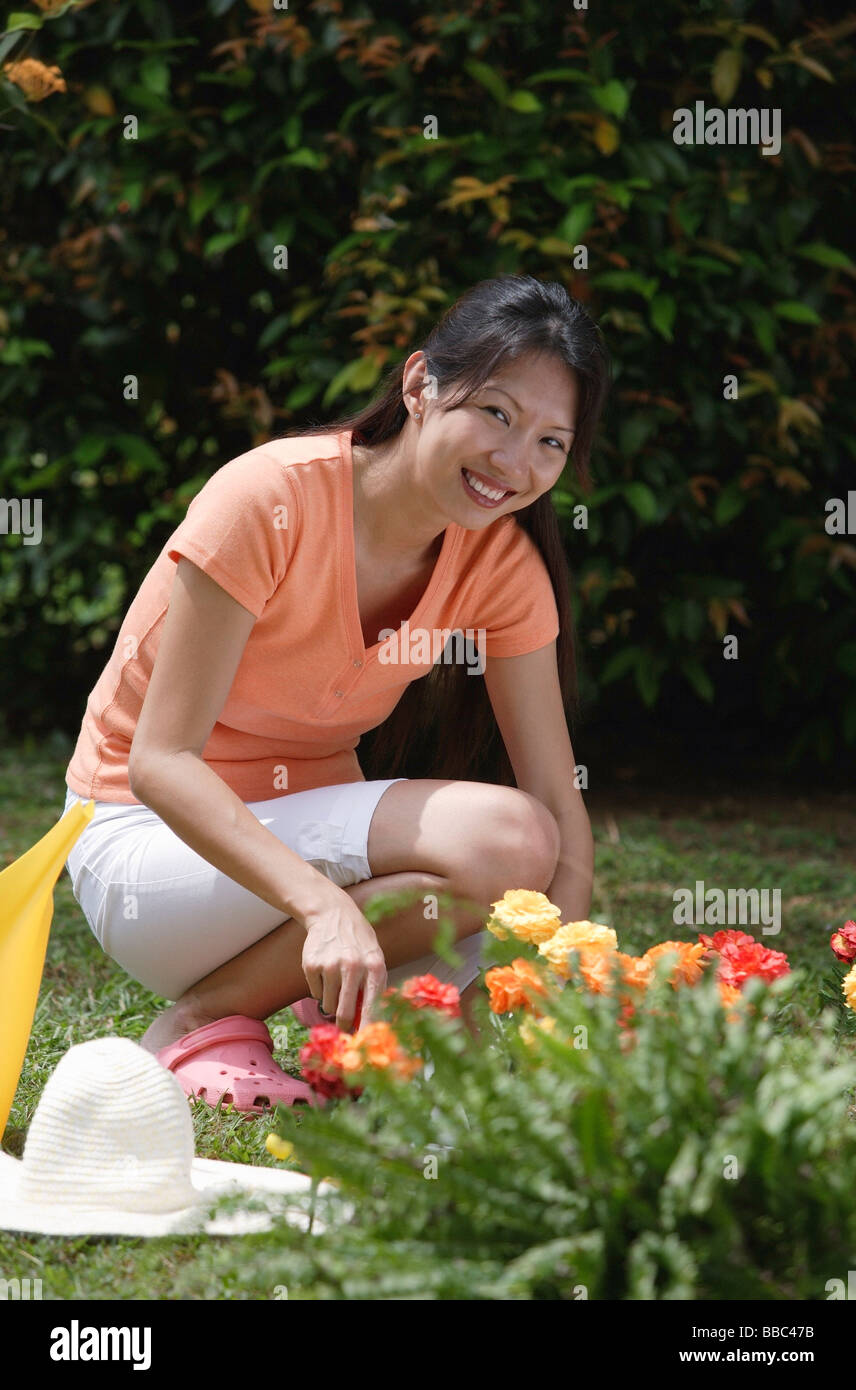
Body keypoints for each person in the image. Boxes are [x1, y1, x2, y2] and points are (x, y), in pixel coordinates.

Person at [61, 273, 610, 1110]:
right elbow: (159, 763)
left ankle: (325, 1022)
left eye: (551, 442)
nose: (515, 461)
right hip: (149, 858)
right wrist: (321, 906)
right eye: (496, 413)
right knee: (506, 838)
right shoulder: (271, 499)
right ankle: (195, 1020)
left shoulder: (502, 566)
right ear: (420, 383)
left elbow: (560, 802)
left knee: (454, 1069)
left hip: (302, 860)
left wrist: (547, 978)